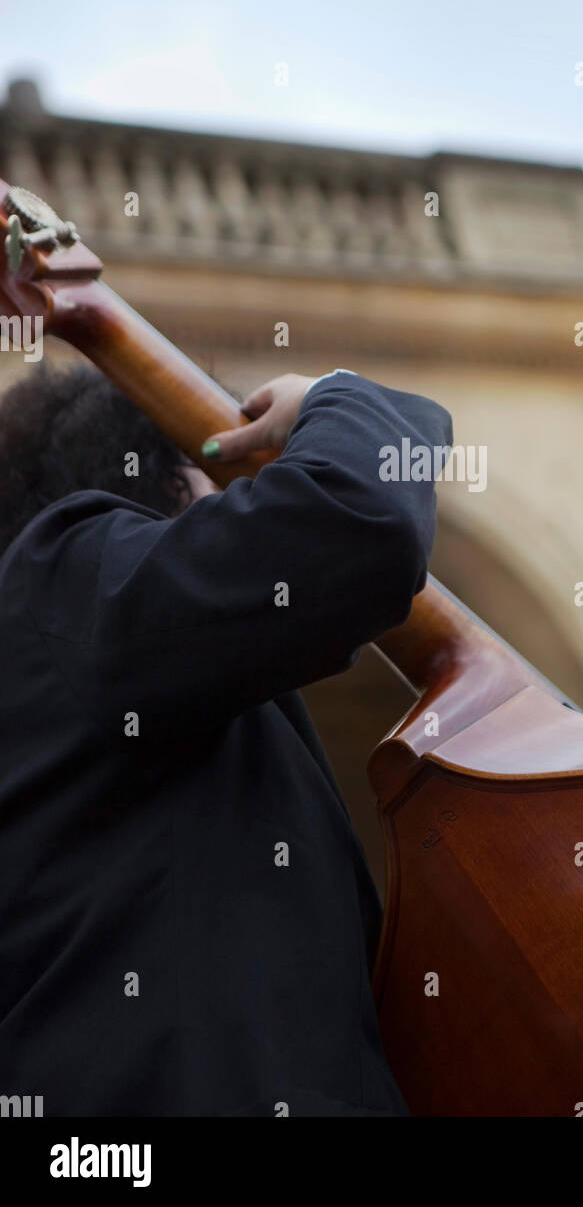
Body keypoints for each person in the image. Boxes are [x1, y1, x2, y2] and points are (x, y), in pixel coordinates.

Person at [0, 360, 453, 1116]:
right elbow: (357, 522)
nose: (239, 503)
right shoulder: (68, 576)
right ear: (159, 477)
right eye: (224, 480)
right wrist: (334, 397)